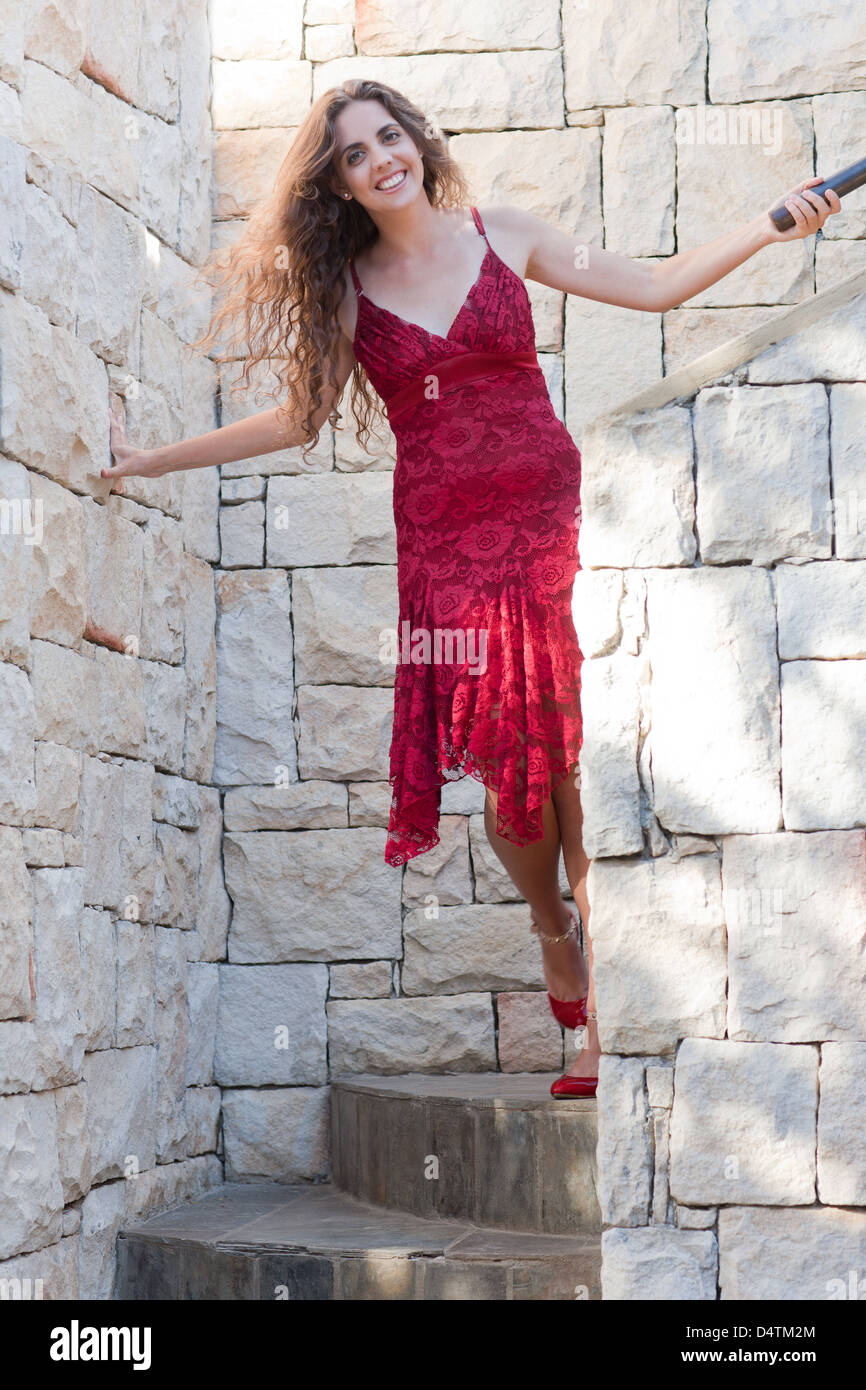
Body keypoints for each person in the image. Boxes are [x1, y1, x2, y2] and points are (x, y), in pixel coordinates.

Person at [102, 79, 841, 1099]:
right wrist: (149, 462)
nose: (378, 161)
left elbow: (658, 283)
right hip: (448, 548)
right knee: (512, 785)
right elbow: (295, 420)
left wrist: (772, 224)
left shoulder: (508, 233)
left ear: (416, 140)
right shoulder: (350, 294)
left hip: (556, 524)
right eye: (353, 156)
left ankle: (597, 1032)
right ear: (341, 186)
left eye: (386, 137)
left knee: (582, 770)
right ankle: (552, 928)